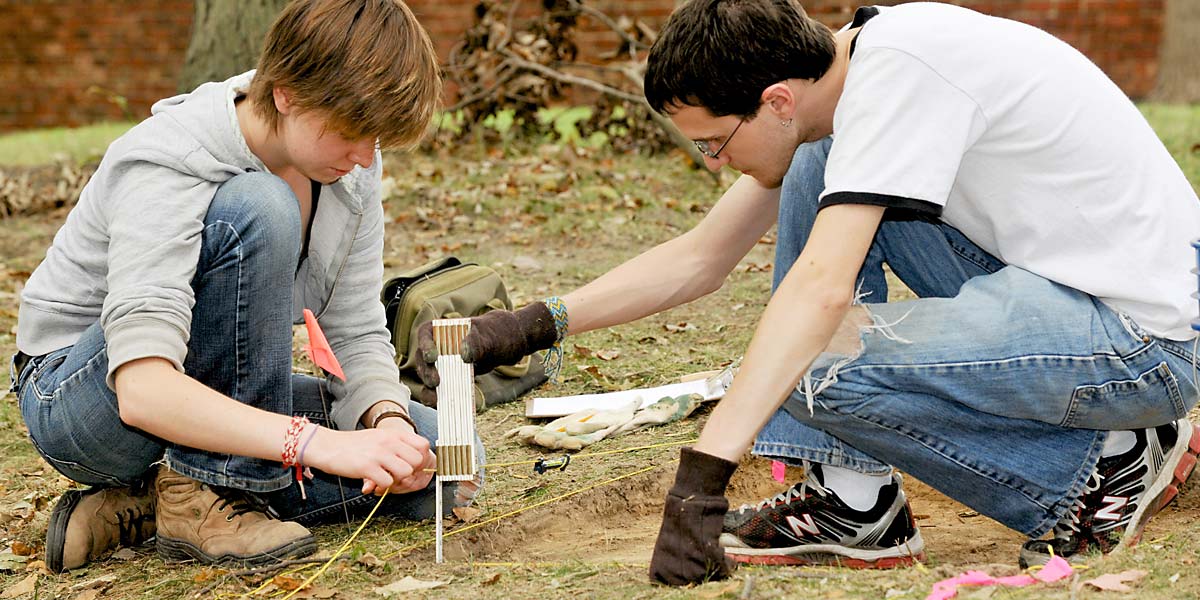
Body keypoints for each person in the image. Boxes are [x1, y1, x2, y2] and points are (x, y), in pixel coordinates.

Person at [414, 0, 1200, 586]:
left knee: (809, 360)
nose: (714, 164)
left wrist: (704, 476)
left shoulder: (902, 81)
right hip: (1070, 287)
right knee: (811, 176)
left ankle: (1107, 462)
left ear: (776, 99)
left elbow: (819, 293)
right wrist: (529, 325)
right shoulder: (854, 75)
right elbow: (702, 258)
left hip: (1143, 342)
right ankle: (853, 504)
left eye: (714, 143)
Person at [10, 0, 482, 574]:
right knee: (259, 206)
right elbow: (142, 388)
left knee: (445, 461)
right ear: (285, 93)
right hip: (83, 397)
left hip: (205, 380)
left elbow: (356, 330)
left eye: (377, 138)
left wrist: (387, 423)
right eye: (353, 132)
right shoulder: (172, 155)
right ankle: (211, 494)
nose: (364, 159)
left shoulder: (348, 166)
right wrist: (320, 445)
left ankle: (161, 501)